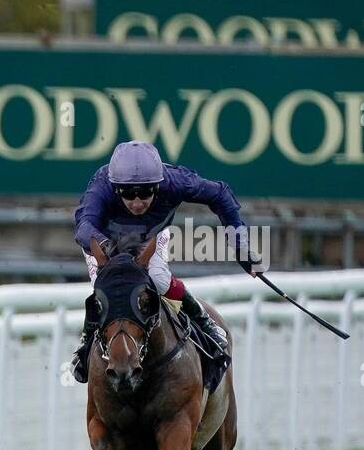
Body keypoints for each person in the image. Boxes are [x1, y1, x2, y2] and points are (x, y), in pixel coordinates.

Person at [70, 140, 261, 388]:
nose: (137, 202)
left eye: (146, 192)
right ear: (116, 188)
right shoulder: (102, 185)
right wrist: (107, 247)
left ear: (158, 186)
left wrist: (241, 247)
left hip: (150, 235)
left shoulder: (175, 181)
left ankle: (205, 323)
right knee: (105, 286)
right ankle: (86, 342)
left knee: (158, 279)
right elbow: (84, 226)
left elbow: (220, 194)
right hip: (105, 240)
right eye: (128, 193)